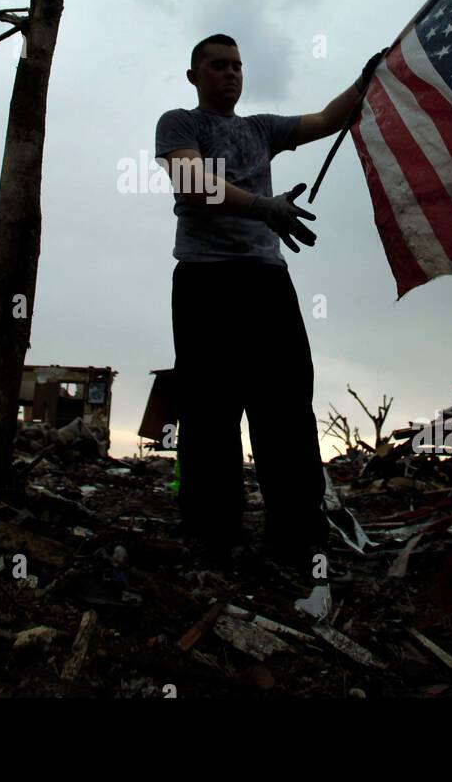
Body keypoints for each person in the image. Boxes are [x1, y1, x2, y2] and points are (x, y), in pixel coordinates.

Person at [154, 33, 378, 567]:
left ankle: (297, 538)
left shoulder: (261, 128)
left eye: (236, 65)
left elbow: (326, 120)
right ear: (194, 76)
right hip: (205, 282)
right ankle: (213, 536)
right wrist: (265, 208)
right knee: (209, 410)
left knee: (285, 408)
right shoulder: (179, 122)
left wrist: (368, 78)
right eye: (216, 65)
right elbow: (190, 182)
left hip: (266, 281)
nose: (229, 73)